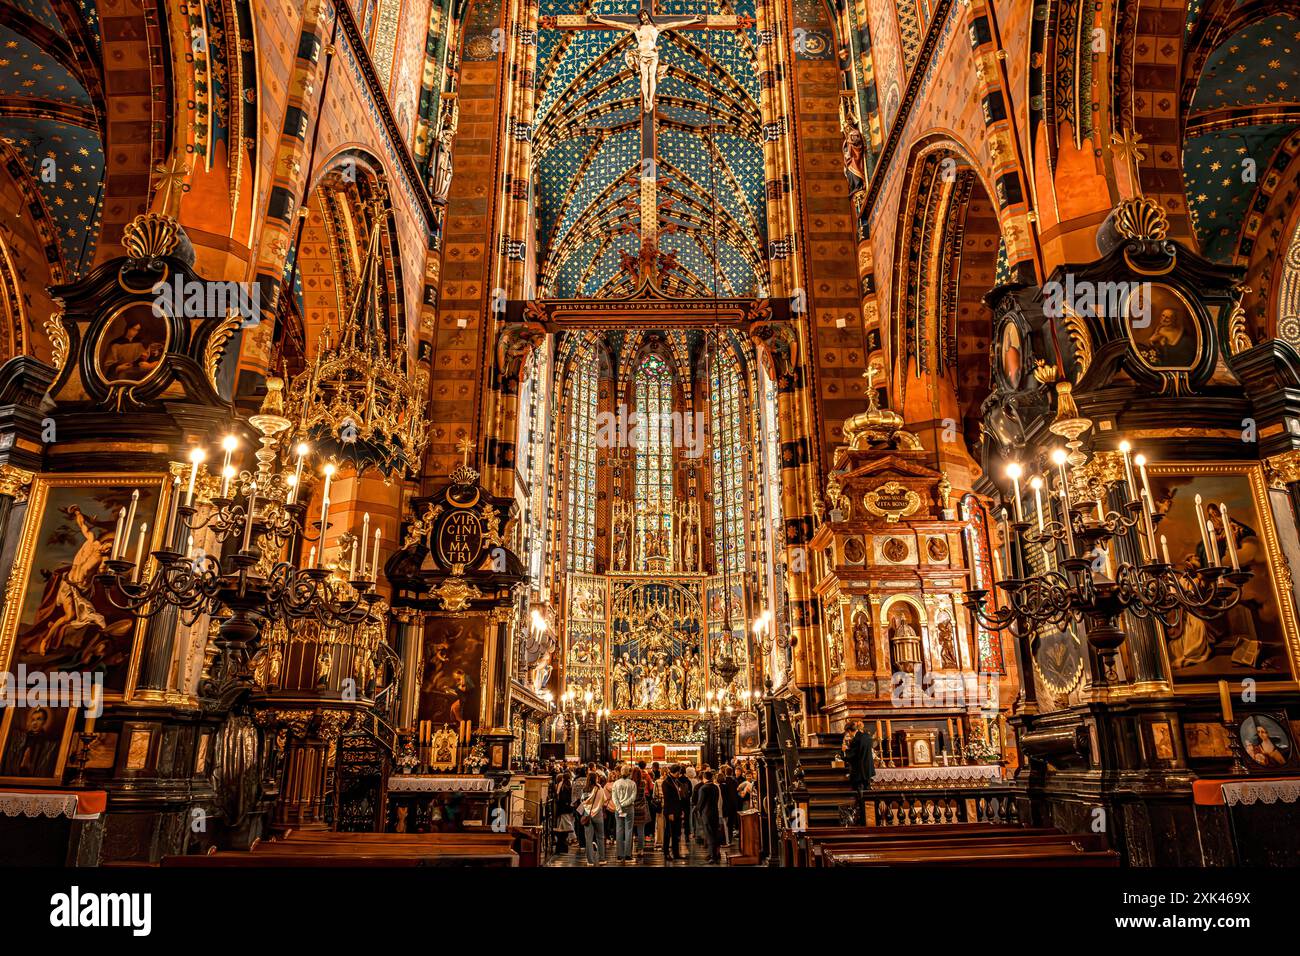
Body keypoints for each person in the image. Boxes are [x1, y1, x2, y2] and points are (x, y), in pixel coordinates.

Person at [693, 769, 724, 863]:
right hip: (715, 812)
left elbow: (700, 803)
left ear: (704, 778)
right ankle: (715, 854)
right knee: (714, 833)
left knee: (709, 835)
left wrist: (696, 810)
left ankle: (713, 856)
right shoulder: (715, 787)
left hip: (706, 814)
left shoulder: (703, 788)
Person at [580, 772, 608, 865]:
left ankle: (590, 861)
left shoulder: (585, 789)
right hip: (598, 814)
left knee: (588, 838)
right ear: (595, 779)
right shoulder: (599, 788)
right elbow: (604, 800)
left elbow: (583, 802)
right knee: (600, 837)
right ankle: (602, 859)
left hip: (587, 814)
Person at [611, 766, 638, 861]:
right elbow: (633, 797)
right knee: (629, 830)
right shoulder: (632, 783)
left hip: (618, 809)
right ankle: (628, 854)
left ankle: (619, 854)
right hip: (629, 808)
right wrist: (625, 804)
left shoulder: (616, 783)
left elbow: (614, 797)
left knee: (619, 830)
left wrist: (619, 807)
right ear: (629, 773)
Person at [660, 764, 686, 860]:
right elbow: (667, 799)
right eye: (678, 772)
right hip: (670, 811)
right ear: (674, 772)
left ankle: (676, 853)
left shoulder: (676, 781)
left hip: (678, 809)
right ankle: (666, 853)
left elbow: (679, 796)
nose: (679, 774)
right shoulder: (666, 782)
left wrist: (682, 810)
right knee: (668, 833)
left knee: (676, 833)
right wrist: (670, 812)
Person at [553, 770, 574, 855]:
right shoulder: (570, 785)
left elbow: (559, 796)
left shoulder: (562, 785)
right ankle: (567, 839)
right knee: (563, 823)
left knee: (565, 823)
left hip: (562, 808)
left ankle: (572, 837)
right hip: (568, 807)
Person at [631, 767, 650, 859]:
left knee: (630, 830)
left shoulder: (630, 783)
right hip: (641, 808)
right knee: (641, 831)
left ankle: (629, 849)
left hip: (632, 808)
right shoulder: (643, 783)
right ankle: (640, 850)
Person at [719, 764, 740, 845]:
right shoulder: (734, 782)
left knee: (724, 823)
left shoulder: (723, 782)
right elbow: (735, 795)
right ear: (732, 773)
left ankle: (725, 839)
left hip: (724, 805)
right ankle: (729, 839)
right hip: (733, 805)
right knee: (730, 824)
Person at [571, 766, 588, 853]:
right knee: (588, 822)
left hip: (578, 804)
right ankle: (588, 841)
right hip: (588, 804)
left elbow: (573, 793)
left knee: (579, 824)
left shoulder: (576, 781)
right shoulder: (588, 781)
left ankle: (581, 843)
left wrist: (574, 803)